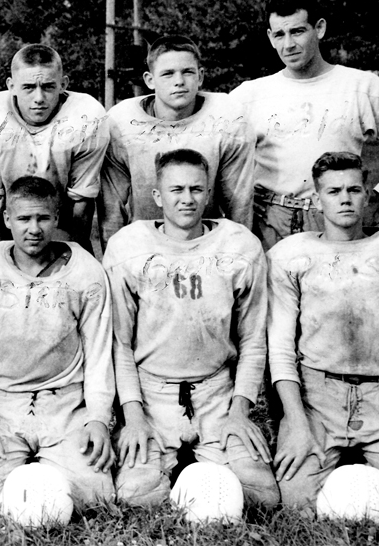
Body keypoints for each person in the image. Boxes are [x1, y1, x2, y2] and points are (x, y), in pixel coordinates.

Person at [268, 151, 379, 509]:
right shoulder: (290, 256)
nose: (345, 198)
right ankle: (340, 458)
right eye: (333, 191)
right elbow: (280, 348)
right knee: (295, 502)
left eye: (354, 189)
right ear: (316, 200)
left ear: (367, 193)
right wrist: (296, 422)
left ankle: (376, 454)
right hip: (317, 398)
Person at [104, 149, 279, 508]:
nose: (187, 199)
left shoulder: (239, 245)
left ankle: (202, 457)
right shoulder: (129, 246)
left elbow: (252, 341)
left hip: (216, 391)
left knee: (261, 495)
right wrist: (133, 416)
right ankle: (169, 460)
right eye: (176, 190)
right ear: (157, 196)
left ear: (208, 192)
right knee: (137, 496)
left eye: (197, 189)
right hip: (154, 393)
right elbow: (119, 343)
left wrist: (239, 412)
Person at [0, 176, 115, 508]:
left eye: (43, 218)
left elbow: (99, 353)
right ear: (6, 218)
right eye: (24, 219)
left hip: (64, 404)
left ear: (57, 218)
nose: (34, 228)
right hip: (2, 403)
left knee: (95, 494)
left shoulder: (86, 273)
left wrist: (98, 419)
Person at [230, 0, 379, 250]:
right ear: (270, 37)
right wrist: (242, 207)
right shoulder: (248, 95)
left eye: (298, 31)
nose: (288, 44)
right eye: (279, 34)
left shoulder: (362, 87)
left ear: (319, 28)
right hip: (268, 223)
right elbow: (218, 157)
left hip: (335, 219)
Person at [100, 36, 253, 246]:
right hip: (145, 242)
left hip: (208, 243)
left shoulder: (227, 117)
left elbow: (239, 203)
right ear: (149, 80)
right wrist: (114, 255)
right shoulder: (122, 121)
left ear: (200, 76)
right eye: (168, 74)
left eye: (187, 72)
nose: (179, 81)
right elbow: (112, 207)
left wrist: (239, 250)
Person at [0, 44, 107, 249]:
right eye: (29, 87)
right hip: (12, 227)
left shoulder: (87, 116)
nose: (39, 98)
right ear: (11, 86)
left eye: (49, 87)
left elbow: (83, 201)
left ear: (63, 84)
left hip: (65, 225)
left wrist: (72, 255)